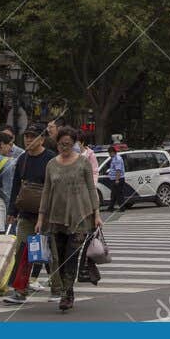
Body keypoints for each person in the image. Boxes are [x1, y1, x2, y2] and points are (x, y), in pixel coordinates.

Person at [35, 126, 100, 313]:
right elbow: (46, 191)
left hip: (80, 217)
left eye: (69, 145)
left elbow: (90, 189)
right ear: (57, 144)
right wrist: (41, 217)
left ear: (74, 145)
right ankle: (67, 289)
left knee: (71, 256)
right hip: (56, 217)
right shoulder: (51, 165)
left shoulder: (83, 163)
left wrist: (96, 214)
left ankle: (66, 294)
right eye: (62, 144)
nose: (65, 148)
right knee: (60, 257)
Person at [3, 126, 54, 306]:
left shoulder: (50, 158)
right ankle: (20, 291)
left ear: (42, 139)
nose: (28, 140)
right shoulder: (22, 159)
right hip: (26, 213)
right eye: (26, 136)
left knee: (49, 252)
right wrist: (12, 211)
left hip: (47, 214)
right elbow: (16, 186)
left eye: (33, 136)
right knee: (23, 250)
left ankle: (58, 289)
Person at [104, 143, 131, 213]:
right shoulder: (114, 158)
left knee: (119, 194)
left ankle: (121, 208)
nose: (109, 155)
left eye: (109, 153)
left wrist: (117, 180)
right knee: (114, 194)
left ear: (112, 152)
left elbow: (118, 170)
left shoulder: (117, 159)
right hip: (115, 179)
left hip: (118, 179)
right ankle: (111, 207)